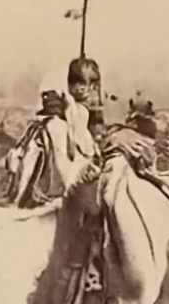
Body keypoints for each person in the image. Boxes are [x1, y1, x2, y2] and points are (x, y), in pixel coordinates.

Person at [6, 57, 102, 208]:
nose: (79, 89)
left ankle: (23, 194)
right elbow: (77, 141)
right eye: (75, 84)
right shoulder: (74, 112)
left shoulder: (74, 110)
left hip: (65, 143)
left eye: (83, 84)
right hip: (68, 154)